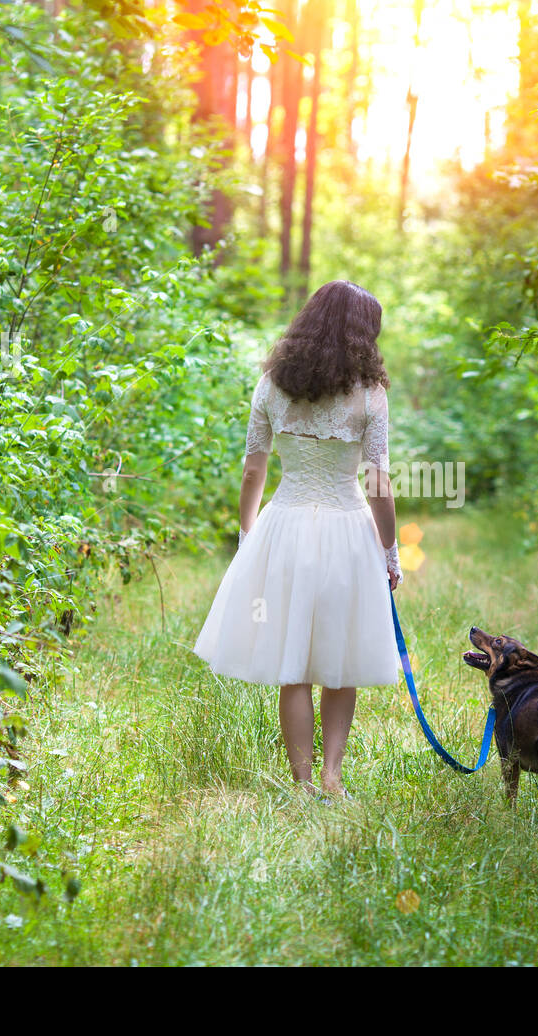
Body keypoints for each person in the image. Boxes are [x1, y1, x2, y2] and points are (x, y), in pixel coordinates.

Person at [194, 280, 402, 798]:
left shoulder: (272, 385)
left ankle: (303, 781)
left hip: (284, 525)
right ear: (362, 334)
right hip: (347, 529)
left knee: (295, 667)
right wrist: (389, 551)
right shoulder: (370, 394)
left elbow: (252, 471)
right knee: (340, 658)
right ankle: (333, 775)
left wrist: (247, 536)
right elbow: (379, 481)